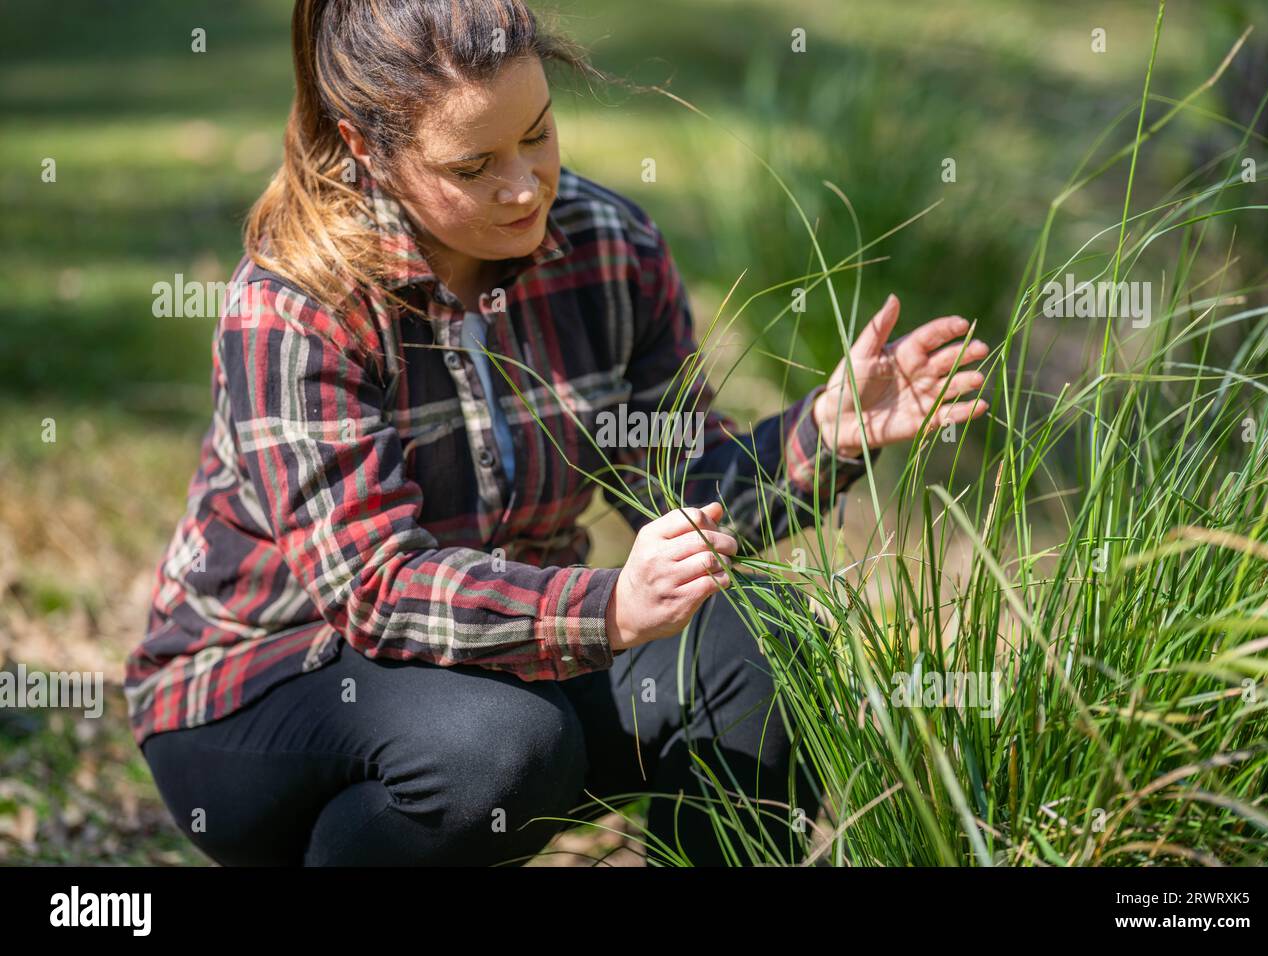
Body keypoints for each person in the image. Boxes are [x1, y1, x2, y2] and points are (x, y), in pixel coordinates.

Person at [124, 0, 989, 866]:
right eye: (474, 165)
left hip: (503, 664)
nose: (525, 184)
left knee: (766, 640)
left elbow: (684, 494)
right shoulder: (297, 303)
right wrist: (607, 606)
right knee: (499, 747)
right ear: (364, 148)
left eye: (537, 134)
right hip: (264, 690)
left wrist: (828, 433)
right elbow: (375, 590)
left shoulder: (608, 246)